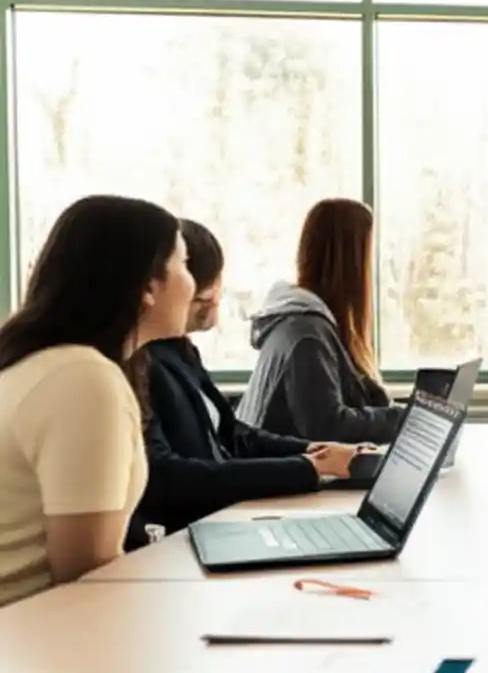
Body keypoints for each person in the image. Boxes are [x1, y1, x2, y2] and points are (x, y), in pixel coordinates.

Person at [0, 196, 194, 606]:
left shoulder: (46, 363)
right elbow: (84, 571)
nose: (193, 284)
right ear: (146, 287)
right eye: (184, 264)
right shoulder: (82, 379)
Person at [134, 219, 367, 543]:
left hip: (220, 521)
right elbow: (167, 477)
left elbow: (232, 436)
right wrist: (309, 467)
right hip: (185, 538)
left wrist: (315, 452)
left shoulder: (180, 351)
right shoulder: (137, 367)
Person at [237, 199, 401, 443]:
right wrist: (407, 421)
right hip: (284, 479)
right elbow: (328, 427)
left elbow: (352, 399)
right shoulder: (307, 333)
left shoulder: (308, 324)